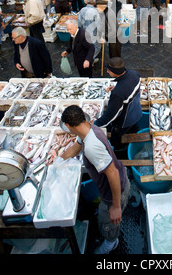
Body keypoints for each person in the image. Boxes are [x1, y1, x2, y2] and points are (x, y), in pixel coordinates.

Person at [60, 104, 130, 254]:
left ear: (67, 126)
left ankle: (111, 242)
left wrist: (116, 206)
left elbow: (113, 173)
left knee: (109, 222)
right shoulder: (89, 129)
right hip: (116, 181)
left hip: (115, 192)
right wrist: (57, 161)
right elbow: (75, 148)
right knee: (106, 216)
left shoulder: (92, 146)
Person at [94, 57, 142, 152]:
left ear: (115, 71)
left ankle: (120, 151)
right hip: (136, 112)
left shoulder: (118, 94)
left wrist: (95, 124)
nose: (107, 72)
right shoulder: (134, 74)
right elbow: (129, 89)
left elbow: (110, 116)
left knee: (117, 140)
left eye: (108, 70)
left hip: (125, 121)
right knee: (133, 130)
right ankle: (132, 144)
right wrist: (117, 87)